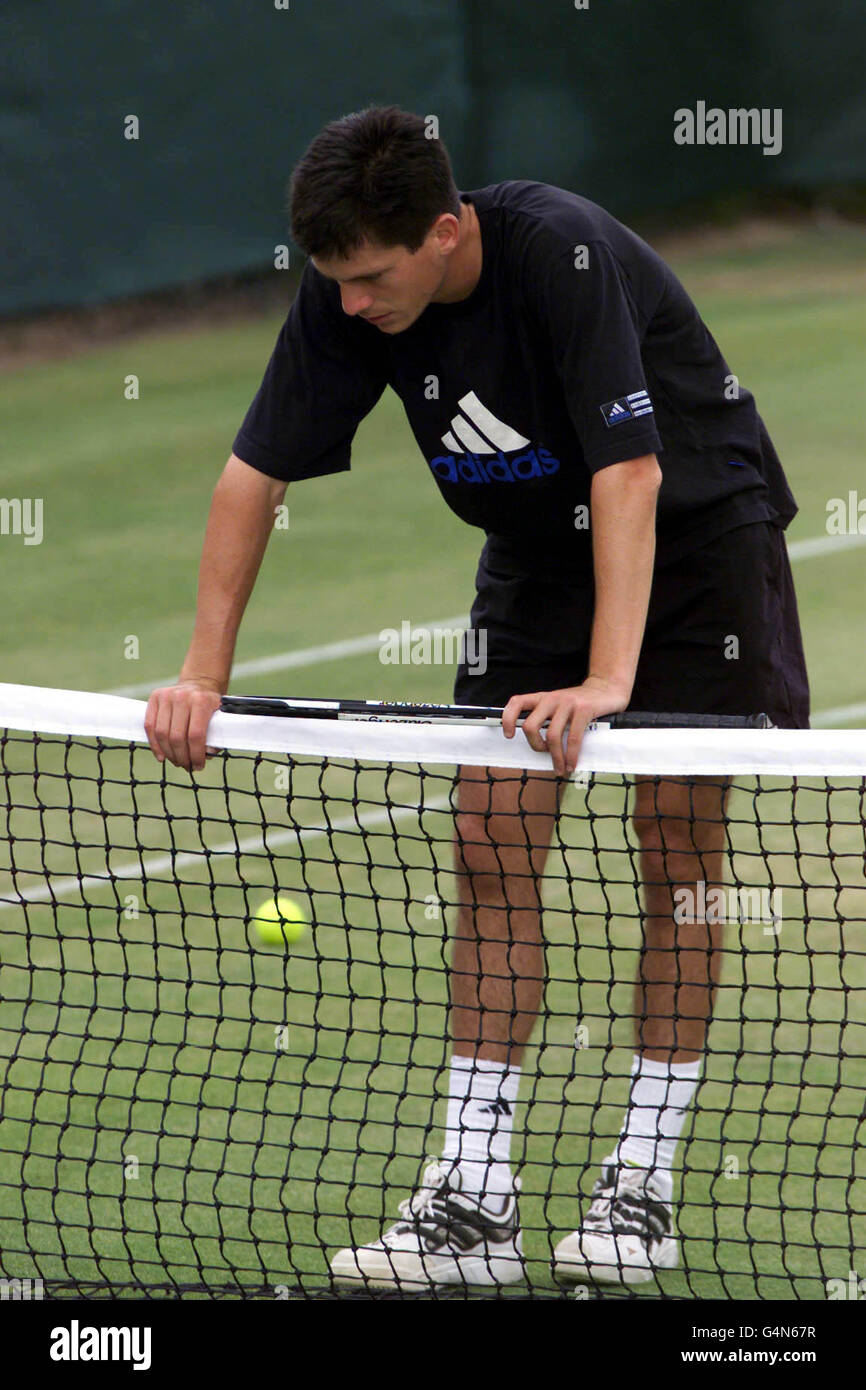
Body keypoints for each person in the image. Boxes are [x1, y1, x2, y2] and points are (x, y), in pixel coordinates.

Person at [145, 106, 809, 1291]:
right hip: (533, 563)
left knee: (675, 847)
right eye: (335, 281)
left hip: (699, 544)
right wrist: (201, 672)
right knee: (490, 839)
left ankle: (640, 1185)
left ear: (446, 231)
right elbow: (252, 475)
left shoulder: (561, 254)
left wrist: (607, 680)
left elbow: (631, 470)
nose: (352, 305)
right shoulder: (350, 294)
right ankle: (471, 1198)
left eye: (372, 278)